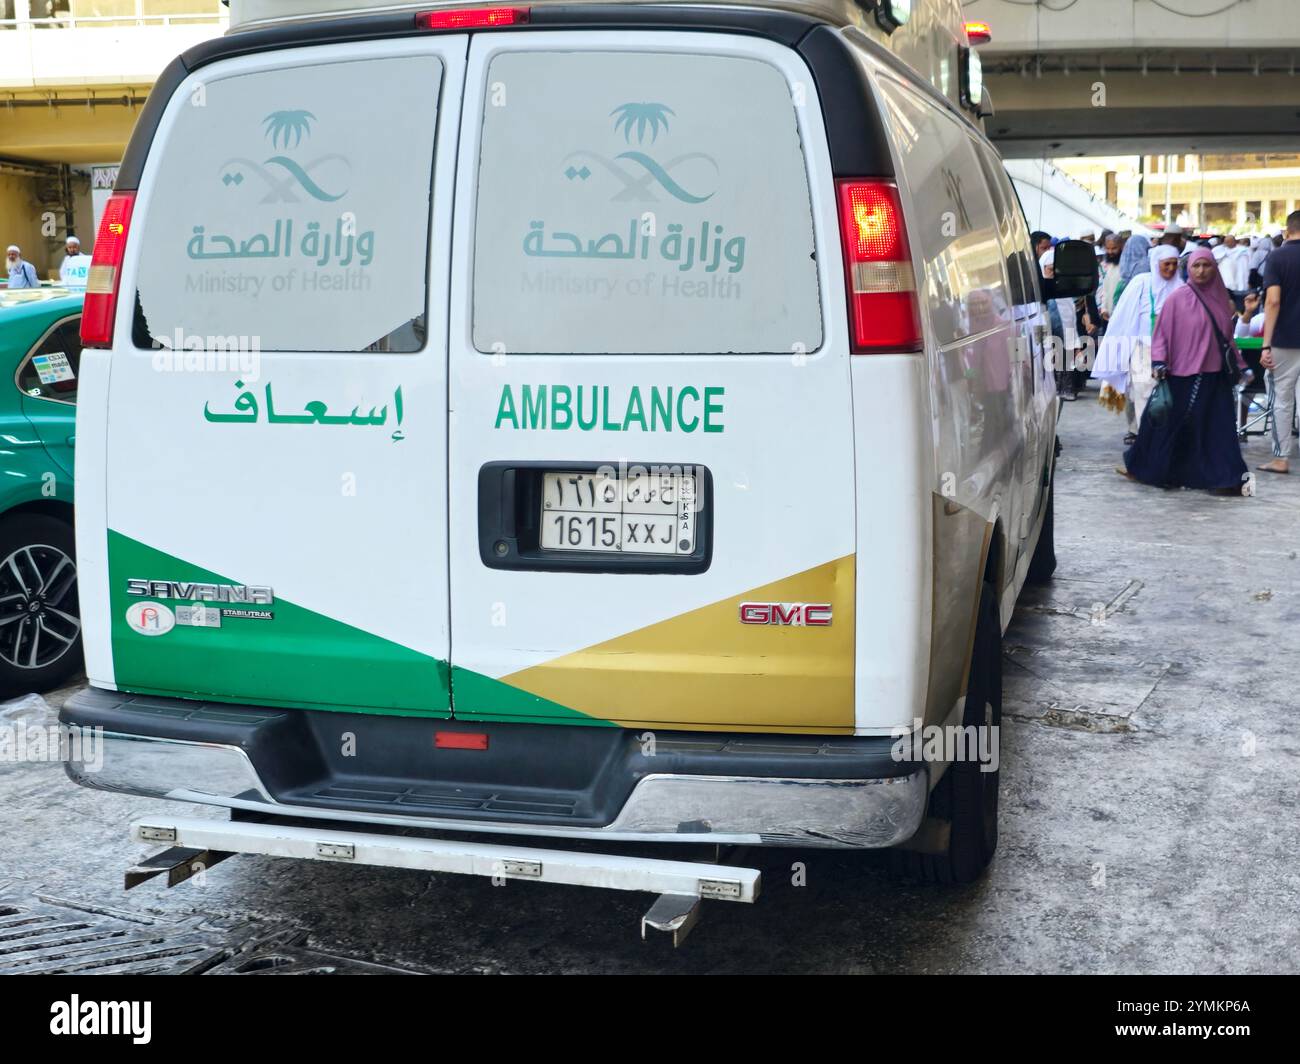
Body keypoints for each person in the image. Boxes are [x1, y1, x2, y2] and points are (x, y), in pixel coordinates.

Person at [1120, 248, 1249, 493]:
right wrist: (1159, 361)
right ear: (1189, 269)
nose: (1201, 271)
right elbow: (1161, 334)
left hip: (1213, 376)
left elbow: (1227, 339)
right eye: (1196, 266)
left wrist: (1240, 365)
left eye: (1206, 266)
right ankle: (1153, 470)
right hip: (1180, 375)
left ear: (1214, 268)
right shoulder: (1177, 299)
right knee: (1166, 425)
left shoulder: (1221, 299)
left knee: (1217, 429)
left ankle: (1226, 478)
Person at [1092, 245, 1184, 442]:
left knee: (1170, 399)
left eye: (1174, 264)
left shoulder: (1181, 286)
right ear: (1155, 263)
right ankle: (1147, 442)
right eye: (1166, 264)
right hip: (1144, 351)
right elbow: (1125, 318)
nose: (1170, 268)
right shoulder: (1141, 283)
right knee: (1145, 397)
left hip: (1176, 353)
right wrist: (1119, 351)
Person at [1256, 209, 1300, 475]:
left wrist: (1266, 344)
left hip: (1284, 341)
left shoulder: (1278, 257)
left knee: (1282, 400)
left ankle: (1281, 458)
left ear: (1287, 230)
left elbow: (1273, 301)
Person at [1040, 247, 1081, 398]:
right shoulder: (1039, 292)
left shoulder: (1063, 292)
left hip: (1066, 336)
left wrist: (1076, 344)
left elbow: (1072, 319)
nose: (1053, 274)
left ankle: (1067, 389)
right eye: (1050, 270)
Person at [1217, 234, 1251, 307]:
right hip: (1226, 286)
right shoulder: (1220, 252)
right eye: (1226, 242)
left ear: (1234, 242)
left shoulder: (1243, 251)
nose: (1227, 244)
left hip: (1240, 285)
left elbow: (1245, 269)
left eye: (1229, 241)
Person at [1099, 233, 1124, 320]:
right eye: (1108, 248)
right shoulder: (1106, 266)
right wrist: (1104, 309)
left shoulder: (1125, 267)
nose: (1110, 252)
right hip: (1107, 316)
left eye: (1114, 248)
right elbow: (1104, 290)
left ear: (1121, 247)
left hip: (1121, 315)